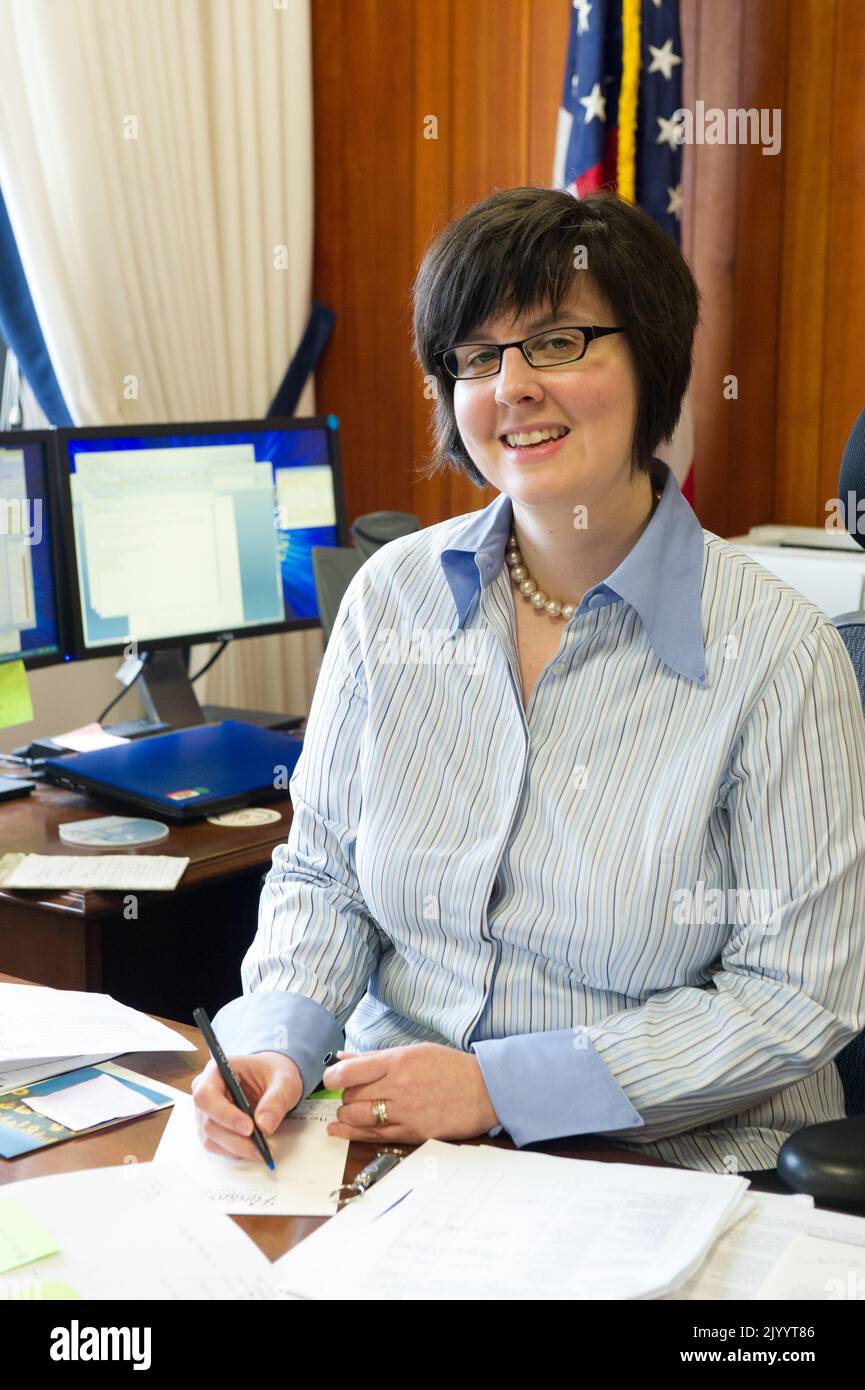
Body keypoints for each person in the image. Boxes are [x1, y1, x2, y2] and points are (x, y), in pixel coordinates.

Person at [192, 187, 865, 1176]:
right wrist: (277, 1040)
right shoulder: (393, 600)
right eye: (475, 355)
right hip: (388, 1145)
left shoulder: (779, 655)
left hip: (665, 1168)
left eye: (556, 341)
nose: (509, 386)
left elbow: (792, 997)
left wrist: (500, 1087)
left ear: (654, 361)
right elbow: (324, 878)